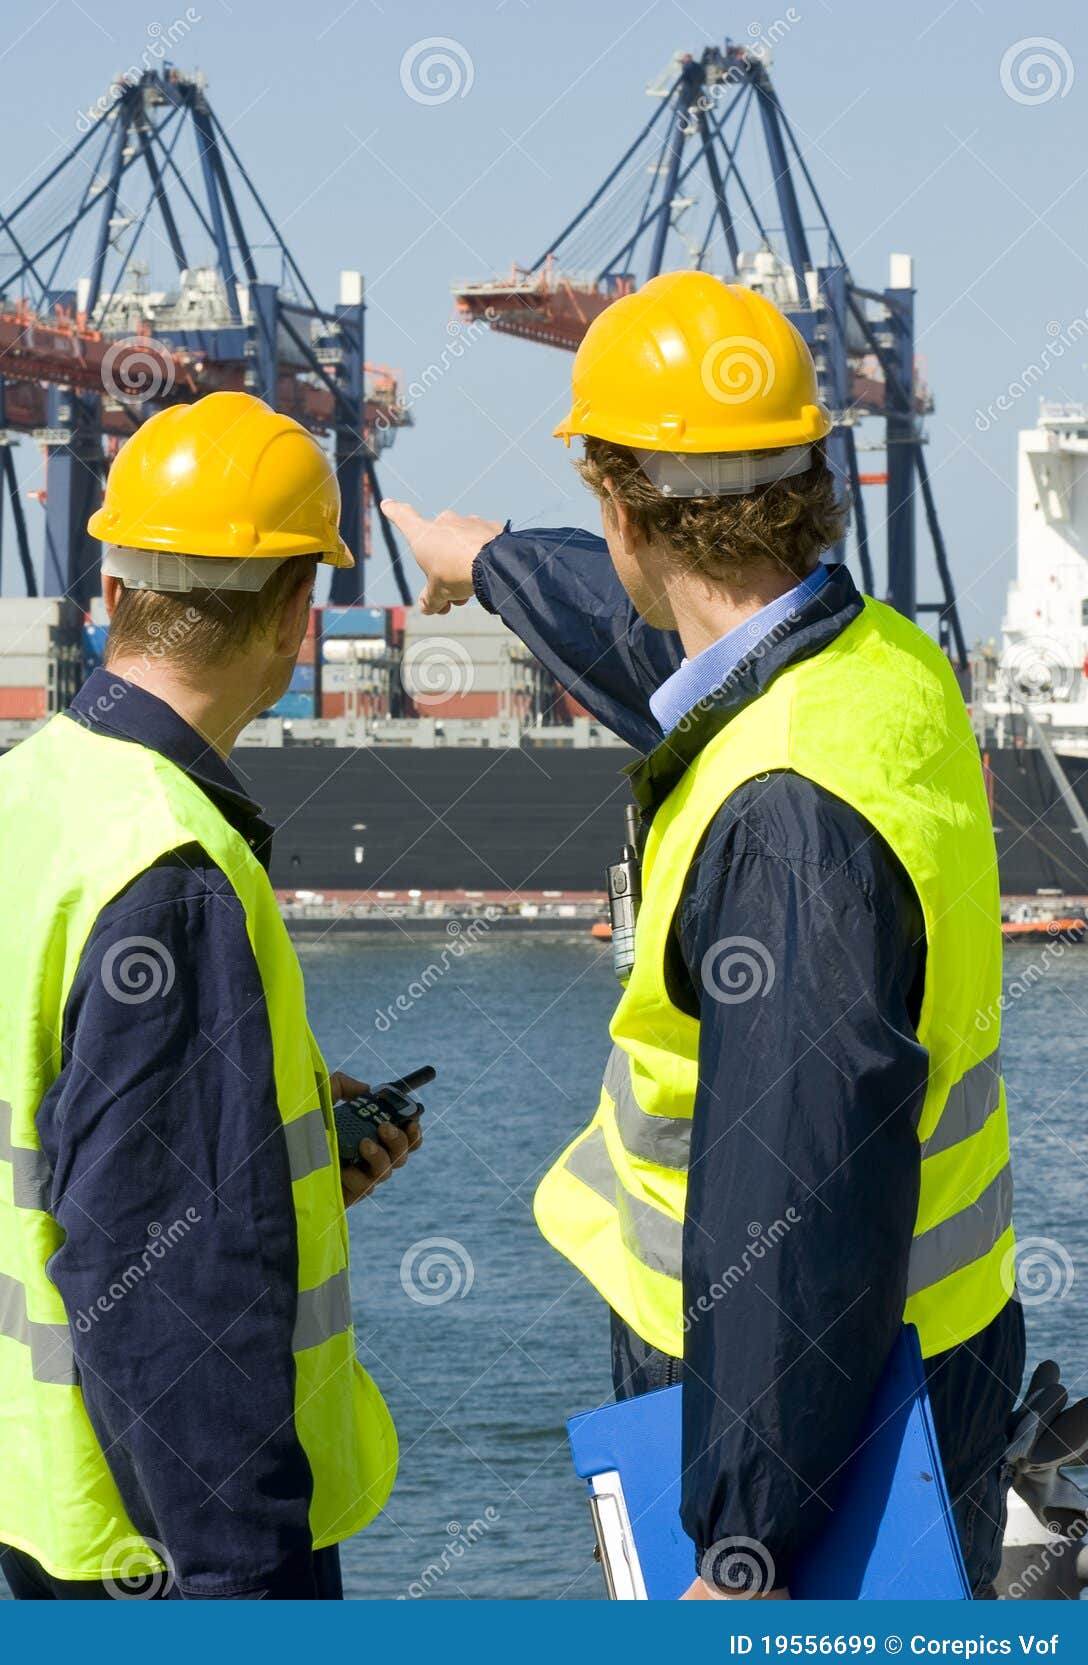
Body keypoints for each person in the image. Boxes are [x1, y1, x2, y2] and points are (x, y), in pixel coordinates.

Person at [384, 270, 1022, 1598]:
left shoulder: (783, 817)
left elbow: (795, 1198)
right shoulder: (881, 668)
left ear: (616, 506)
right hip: (933, 1348)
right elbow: (652, 646)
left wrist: (747, 1540)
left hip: (806, 1422)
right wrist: (490, 559)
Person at [0, 392, 416, 1599]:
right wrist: (241, 1583)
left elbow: (38, 1114)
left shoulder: (20, 794)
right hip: (162, 1521)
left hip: (34, 1470)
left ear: (113, 596)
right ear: (296, 613)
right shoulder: (170, 863)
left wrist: (268, 1143)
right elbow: (172, 1276)